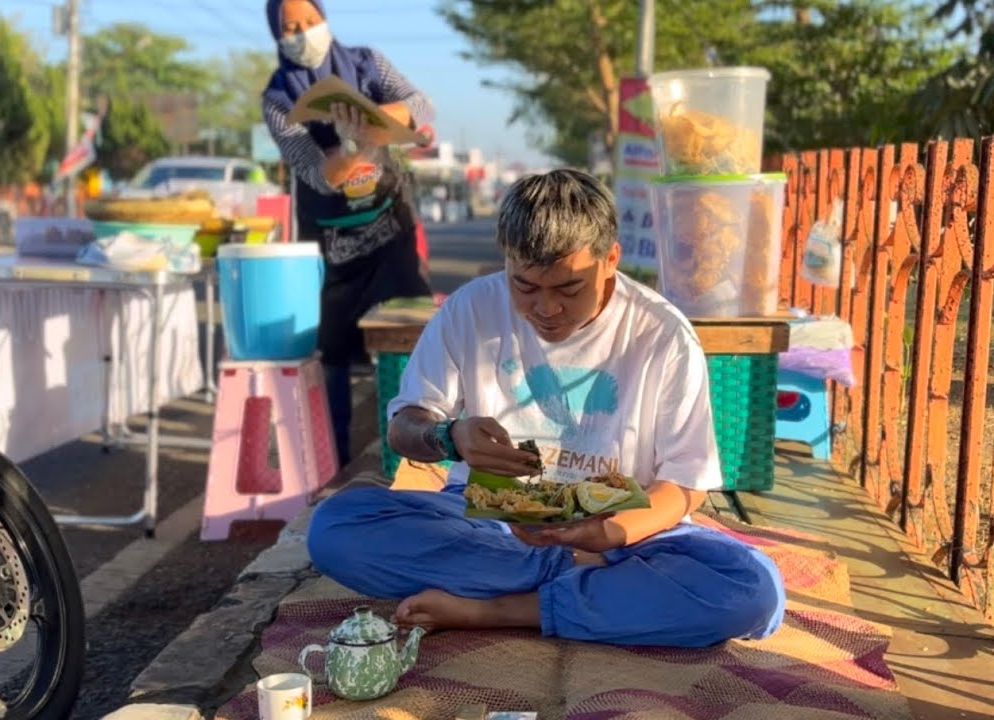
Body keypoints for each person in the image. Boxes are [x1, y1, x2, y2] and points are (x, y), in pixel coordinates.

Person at [305, 169, 786, 648]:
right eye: (525, 287)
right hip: (489, 527)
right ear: (507, 261)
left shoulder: (663, 334)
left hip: (619, 531)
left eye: (569, 288)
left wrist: (606, 534)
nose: (546, 309)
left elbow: (683, 488)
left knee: (752, 590)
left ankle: (499, 609)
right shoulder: (469, 310)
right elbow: (404, 425)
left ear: (610, 260)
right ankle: (594, 594)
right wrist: (449, 437)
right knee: (336, 525)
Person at [262, 0, 435, 466]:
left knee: (413, 336)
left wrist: (382, 118)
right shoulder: (279, 97)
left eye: (311, 21)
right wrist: (352, 145)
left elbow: (421, 105)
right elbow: (316, 174)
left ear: (325, 20)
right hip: (333, 247)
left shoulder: (367, 62)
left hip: (390, 231)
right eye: (290, 27)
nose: (303, 33)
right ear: (277, 36)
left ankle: (422, 453)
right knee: (334, 351)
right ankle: (334, 461)